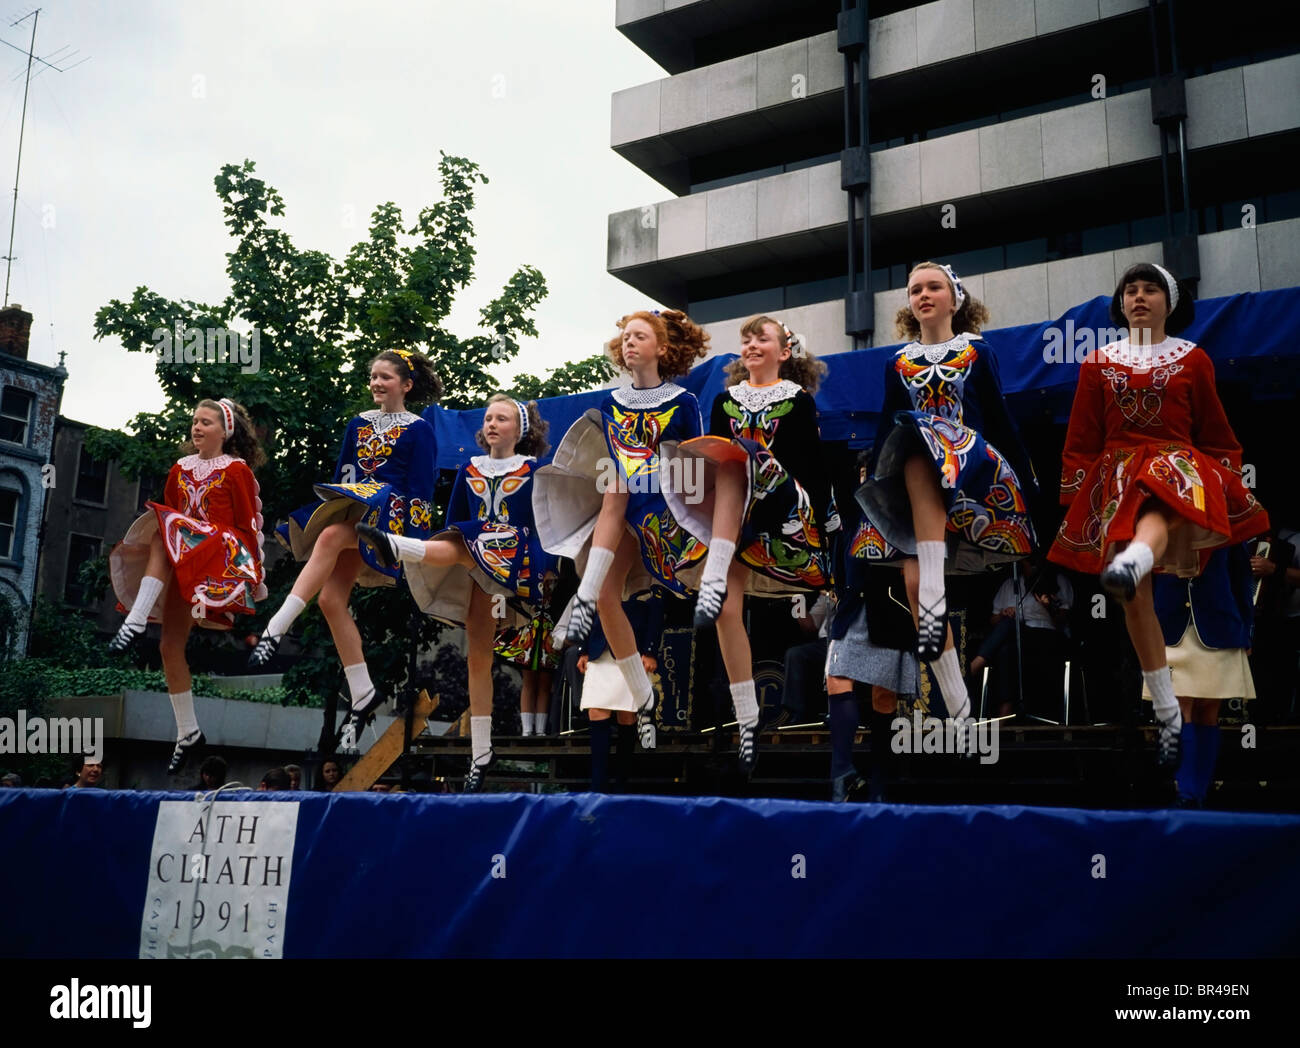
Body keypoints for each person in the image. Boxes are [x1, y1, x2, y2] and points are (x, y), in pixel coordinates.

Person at [1048, 263, 1269, 767]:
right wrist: (1079, 504)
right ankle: (1166, 708)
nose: (1139, 297)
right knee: (1134, 600)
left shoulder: (1194, 360)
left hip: (1179, 469)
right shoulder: (1097, 363)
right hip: (1117, 476)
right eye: (1131, 290)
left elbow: (1214, 435)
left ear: (1170, 302)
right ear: (1120, 303)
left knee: (1160, 480)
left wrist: (1222, 485)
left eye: (1151, 289)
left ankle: (1135, 559)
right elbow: (1082, 440)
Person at [855, 263, 1036, 728]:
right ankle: (957, 702)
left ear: (955, 299)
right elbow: (884, 424)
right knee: (915, 586)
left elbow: (998, 416)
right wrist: (872, 483)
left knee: (922, 445)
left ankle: (937, 581)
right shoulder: (897, 361)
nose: (923, 294)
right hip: (915, 471)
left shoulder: (977, 350)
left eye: (934, 286)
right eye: (915, 289)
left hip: (968, 467)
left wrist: (1026, 479)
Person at [661, 315, 838, 772]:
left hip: (782, 506)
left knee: (745, 457)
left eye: (763, 338)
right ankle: (746, 718)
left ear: (784, 352)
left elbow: (813, 468)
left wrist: (817, 525)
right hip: (734, 518)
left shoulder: (797, 400)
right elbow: (710, 461)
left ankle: (716, 568)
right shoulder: (724, 400)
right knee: (725, 610)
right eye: (746, 338)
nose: (752, 344)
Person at [535, 310, 710, 753]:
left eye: (639, 336)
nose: (628, 343)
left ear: (662, 349)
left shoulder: (685, 402)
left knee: (619, 484)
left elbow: (697, 465)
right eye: (625, 336)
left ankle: (583, 596)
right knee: (614, 485)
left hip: (665, 515)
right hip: (623, 508)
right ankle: (643, 696)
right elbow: (615, 462)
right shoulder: (613, 402)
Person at [363, 394, 553, 791]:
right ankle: (481, 753)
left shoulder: (535, 470)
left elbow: (543, 525)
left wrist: (545, 571)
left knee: (471, 537)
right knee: (478, 659)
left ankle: (398, 547)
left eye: (502, 418)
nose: (492, 424)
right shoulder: (469, 468)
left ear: (521, 430)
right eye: (488, 418)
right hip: (474, 556)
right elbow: (455, 523)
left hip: (514, 560)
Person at [250, 350, 440, 738]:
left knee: (331, 537)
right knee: (330, 600)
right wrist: (337, 505)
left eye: (385, 377)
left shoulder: (420, 429)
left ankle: (274, 627)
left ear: (406, 384)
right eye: (372, 375)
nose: (375, 382)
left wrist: (410, 543)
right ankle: (363, 690)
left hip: (392, 516)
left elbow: (422, 490)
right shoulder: (357, 424)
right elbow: (345, 474)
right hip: (355, 507)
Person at [108, 397, 266, 774]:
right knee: (168, 646)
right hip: (185, 555)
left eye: (206, 422)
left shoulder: (237, 470)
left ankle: (135, 619)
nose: (197, 427)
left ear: (225, 432)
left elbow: (248, 524)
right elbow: (168, 511)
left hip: (220, 552)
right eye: (194, 421)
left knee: (166, 533)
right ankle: (188, 731)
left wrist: (250, 573)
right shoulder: (180, 469)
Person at [824, 453, 919, 801]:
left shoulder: (904, 511)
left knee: (884, 694)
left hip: (890, 607)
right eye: (862, 473)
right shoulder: (849, 513)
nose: (867, 480)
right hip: (852, 608)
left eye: (872, 473)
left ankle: (880, 782)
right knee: (837, 679)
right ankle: (841, 773)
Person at [1148, 545, 1255, 806]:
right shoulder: (1161, 517)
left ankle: (1198, 793)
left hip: (1219, 624)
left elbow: (1241, 577)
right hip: (1170, 625)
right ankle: (1185, 792)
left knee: (1208, 712)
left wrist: (1247, 628)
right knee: (1180, 706)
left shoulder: (1227, 517)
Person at [578, 587, 663, 792]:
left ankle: (621, 783)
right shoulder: (601, 559)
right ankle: (598, 785)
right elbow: (587, 605)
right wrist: (584, 648)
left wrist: (650, 650)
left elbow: (657, 608)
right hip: (600, 649)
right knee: (596, 711)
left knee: (627, 715)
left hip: (634, 650)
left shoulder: (644, 562)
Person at [971, 557, 1073, 719]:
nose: (1032, 566)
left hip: (1048, 636)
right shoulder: (1010, 585)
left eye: (1035, 562)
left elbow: (1063, 621)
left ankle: (976, 663)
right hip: (1020, 638)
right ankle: (1006, 706)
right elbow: (993, 619)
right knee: (1005, 647)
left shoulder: (1058, 581)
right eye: (1028, 562)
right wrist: (1005, 613)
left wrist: (1047, 606)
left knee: (1009, 626)